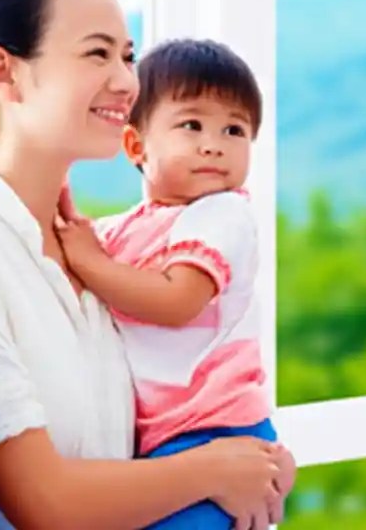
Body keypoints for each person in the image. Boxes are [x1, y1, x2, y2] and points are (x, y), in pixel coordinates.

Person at [0, 0, 289, 529]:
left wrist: (253, 463)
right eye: (97, 54)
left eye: (128, 56)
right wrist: (216, 469)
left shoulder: (100, 248)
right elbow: (44, 503)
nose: (126, 81)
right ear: (4, 71)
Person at [55, 38, 291, 528]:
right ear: (136, 145)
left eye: (234, 129)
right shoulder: (124, 229)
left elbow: (179, 300)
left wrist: (91, 263)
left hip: (216, 431)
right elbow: (79, 247)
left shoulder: (222, 215)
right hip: (161, 441)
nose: (213, 143)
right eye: (191, 124)